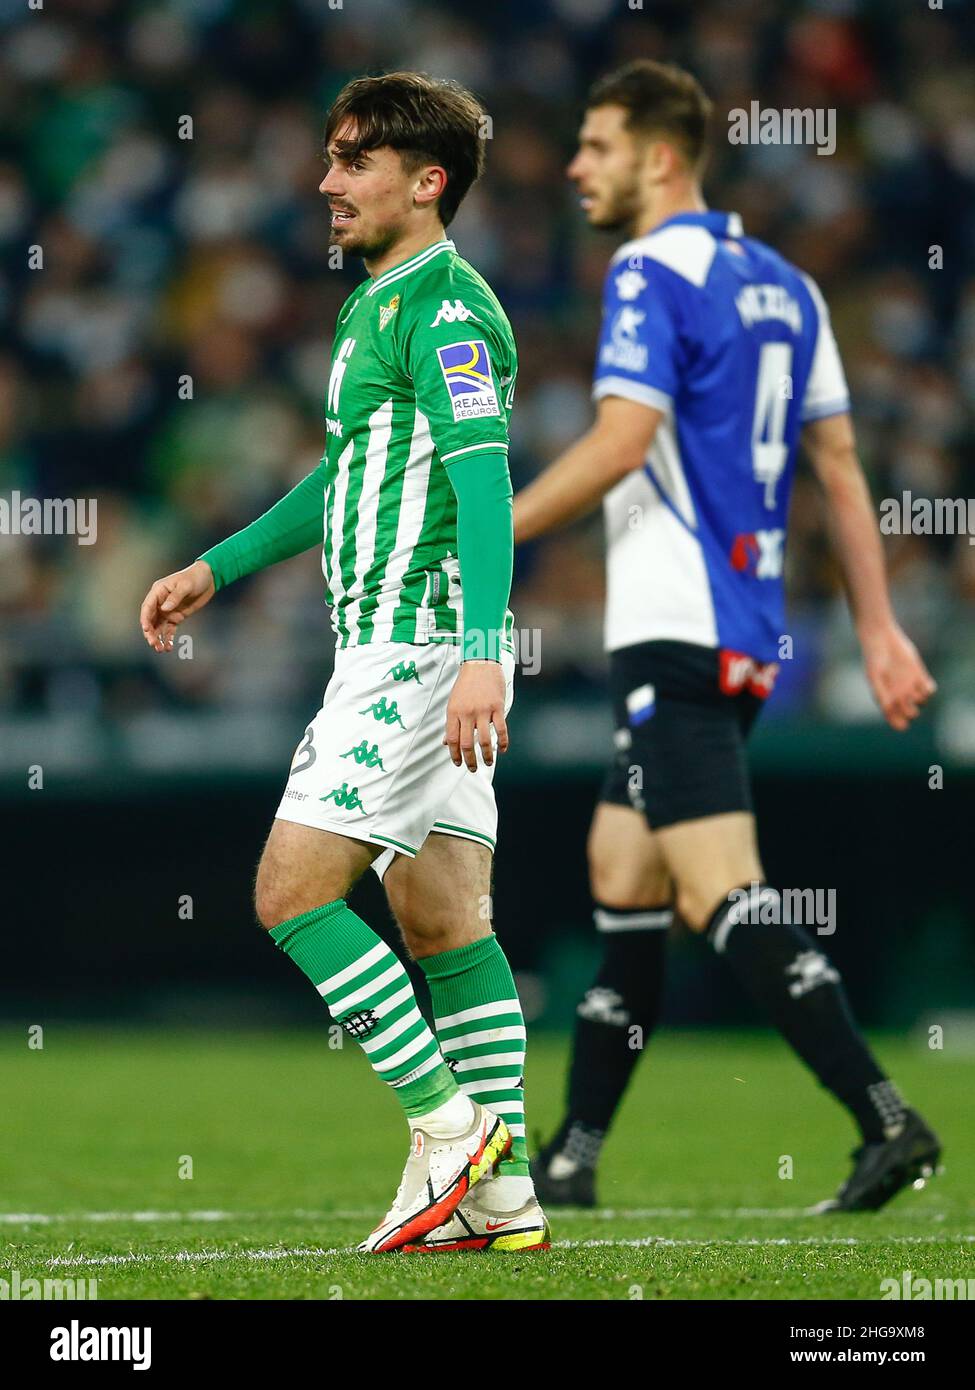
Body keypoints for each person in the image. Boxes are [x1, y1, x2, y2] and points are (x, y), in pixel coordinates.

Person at [515, 60, 940, 1214]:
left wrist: (492, 530)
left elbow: (619, 440)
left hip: (673, 628)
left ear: (659, 156)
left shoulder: (649, 268)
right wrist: (880, 627)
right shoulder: (789, 286)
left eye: (595, 145)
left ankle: (885, 1117)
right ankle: (575, 1156)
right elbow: (840, 463)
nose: (575, 167)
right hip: (748, 630)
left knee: (720, 890)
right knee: (624, 865)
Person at [140, 71, 548, 1254]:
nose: (325, 183)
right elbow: (343, 477)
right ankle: (505, 1199)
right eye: (329, 158)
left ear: (427, 185)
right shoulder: (375, 306)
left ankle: (446, 1126)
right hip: (413, 643)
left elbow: (484, 483)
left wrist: (478, 653)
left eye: (354, 163)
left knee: (291, 893)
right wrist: (219, 563)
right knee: (443, 919)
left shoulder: (450, 310)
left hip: (421, 645)